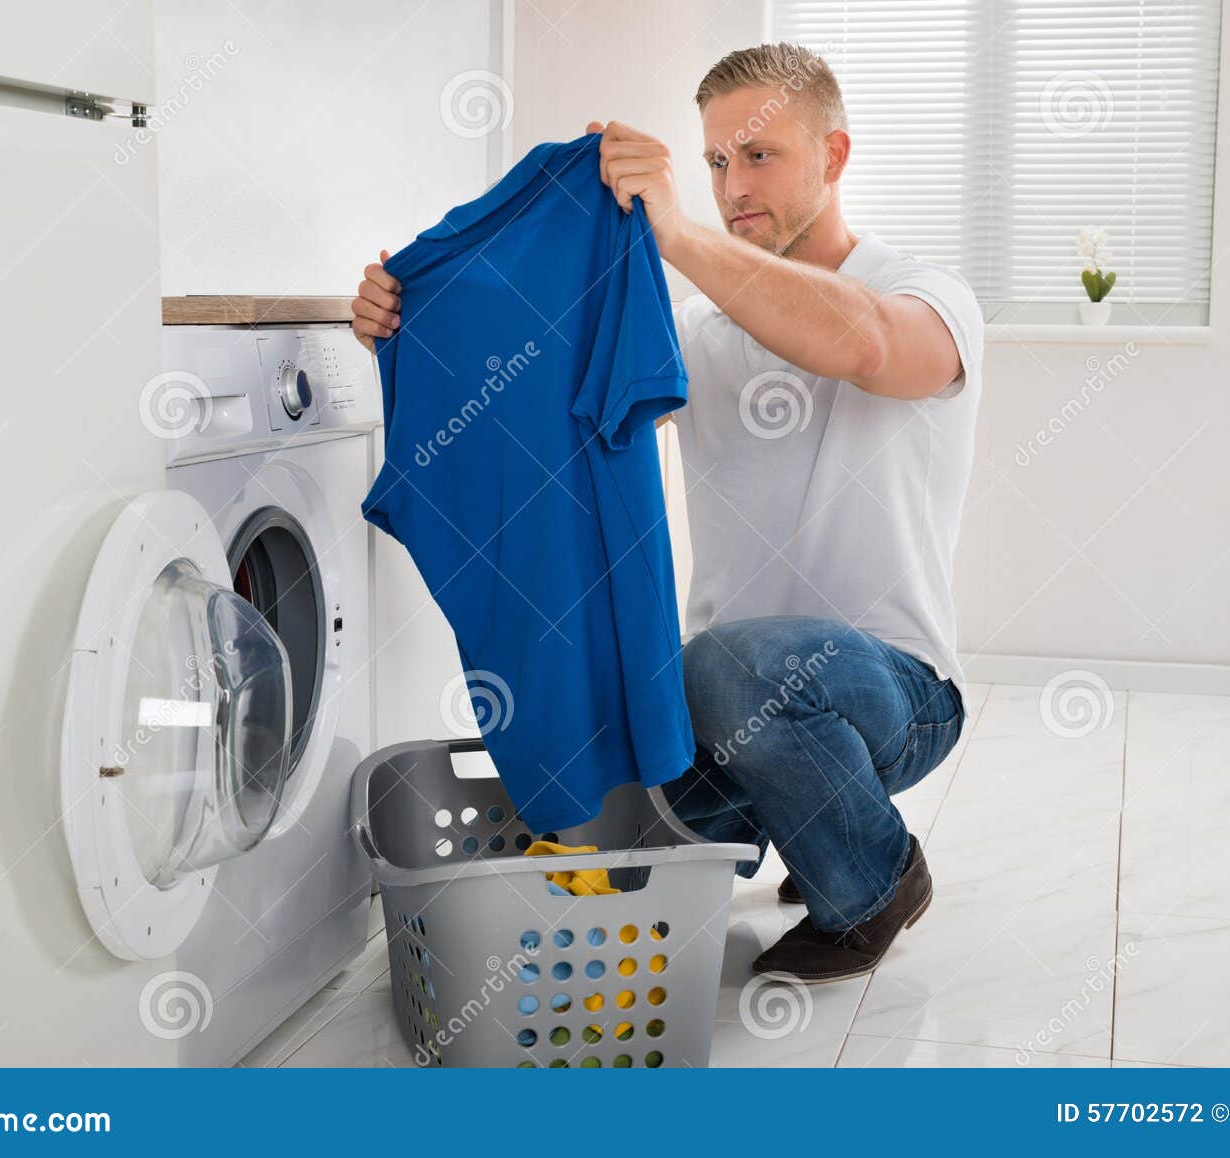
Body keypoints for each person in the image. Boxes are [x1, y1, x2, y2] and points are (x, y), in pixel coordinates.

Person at [352, 43, 982, 984]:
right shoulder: (692, 332)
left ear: (835, 156)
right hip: (718, 711)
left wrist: (679, 235)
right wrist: (415, 326)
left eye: (760, 156)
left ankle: (875, 878)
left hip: (900, 698)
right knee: (586, 812)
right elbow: (540, 413)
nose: (733, 184)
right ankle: (802, 827)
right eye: (717, 162)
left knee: (734, 667)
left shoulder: (925, 294)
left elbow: (864, 345)